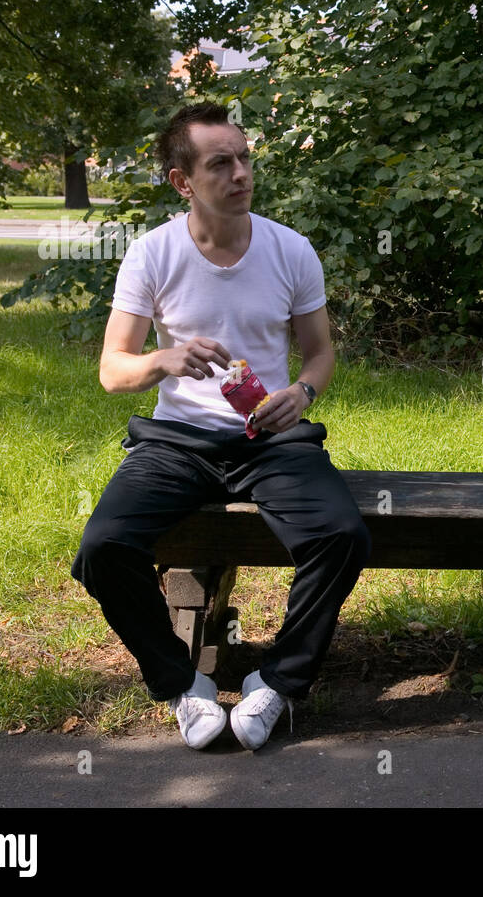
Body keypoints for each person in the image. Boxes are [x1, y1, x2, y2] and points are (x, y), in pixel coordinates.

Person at [72, 103, 371, 751]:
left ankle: (278, 683)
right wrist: (163, 359)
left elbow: (321, 351)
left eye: (244, 158)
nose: (240, 173)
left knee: (343, 535)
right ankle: (184, 685)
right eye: (220, 163)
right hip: (178, 440)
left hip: (269, 438)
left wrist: (303, 390)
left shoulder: (290, 250)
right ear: (182, 181)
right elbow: (112, 370)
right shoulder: (153, 255)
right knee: (104, 549)